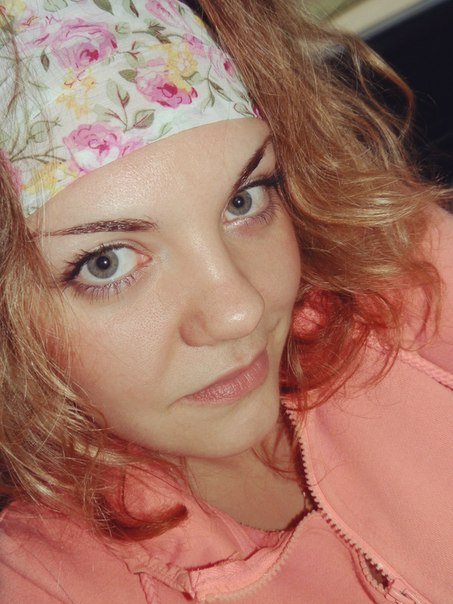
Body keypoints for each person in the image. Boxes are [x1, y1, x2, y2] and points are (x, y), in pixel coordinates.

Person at [0, 0, 451, 602]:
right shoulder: (44, 580)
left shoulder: (402, 278)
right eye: (106, 262)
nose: (240, 310)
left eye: (244, 200)